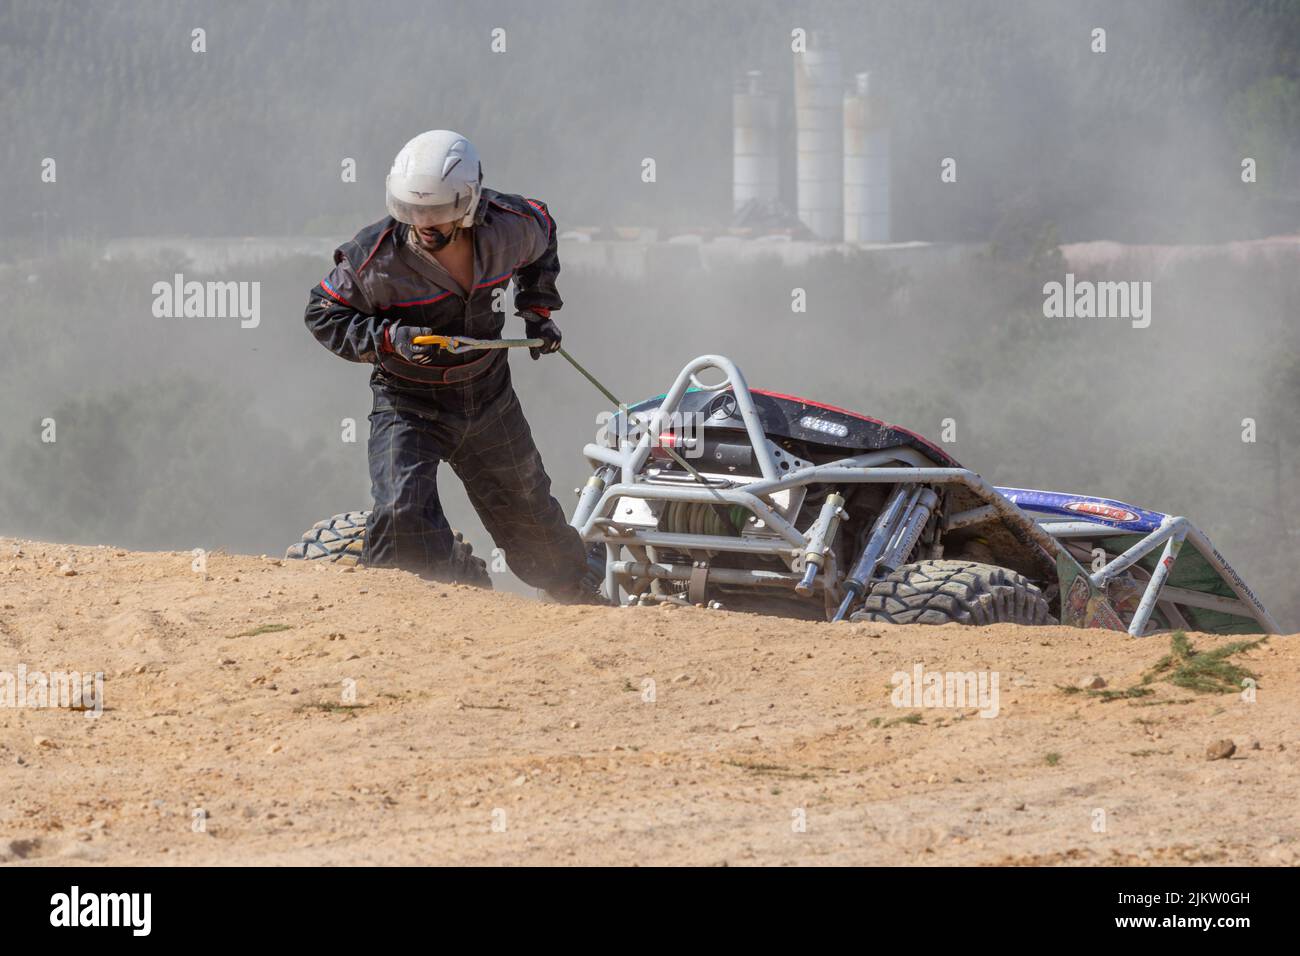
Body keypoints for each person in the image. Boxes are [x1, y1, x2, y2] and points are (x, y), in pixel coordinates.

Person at [303, 129, 597, 601]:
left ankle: (577, 592)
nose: (422, 221)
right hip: (407, 402)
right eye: (410, 209)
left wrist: (537, 310)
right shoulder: (372, 259)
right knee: (401, 509)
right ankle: (443, 596)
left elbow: (544, 235)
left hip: (489, 396)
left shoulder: (512, 226)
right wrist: (388, 339)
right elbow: (322, 313)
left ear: (470, 201)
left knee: (532, 518)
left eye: (436, 211)